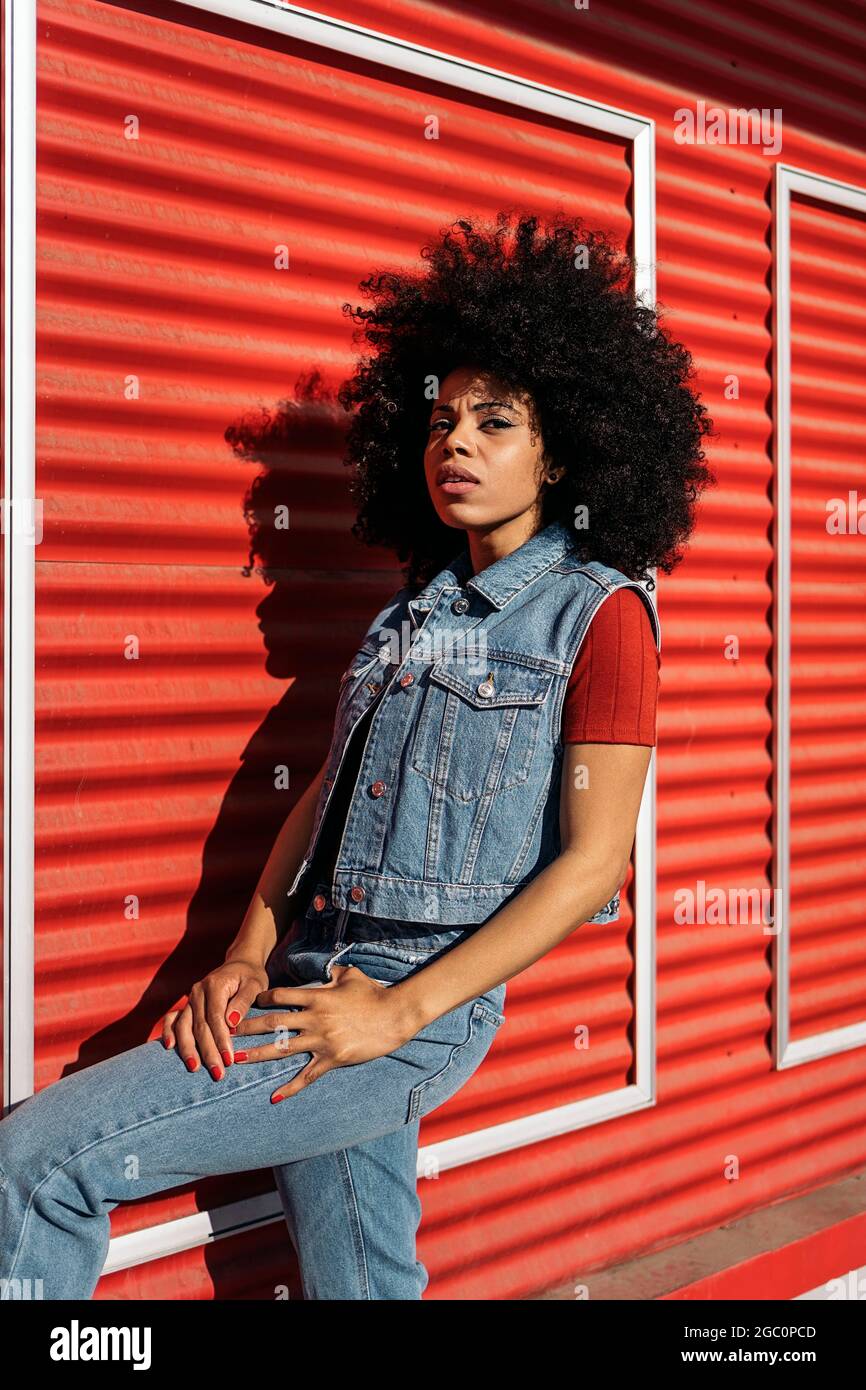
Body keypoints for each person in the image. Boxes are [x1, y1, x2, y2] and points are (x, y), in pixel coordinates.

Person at [0, 211, 714, 1300]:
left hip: (407, 1004)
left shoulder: (595, 617)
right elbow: (323, 806)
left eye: (494, 422)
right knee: (361, 1280)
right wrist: (246, 953)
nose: (455, 443)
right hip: (304, 984)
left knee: (35, 1163)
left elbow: (591, 867)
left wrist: (396, 1012)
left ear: (559, 450)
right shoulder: (411, 617)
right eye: (438, 422)